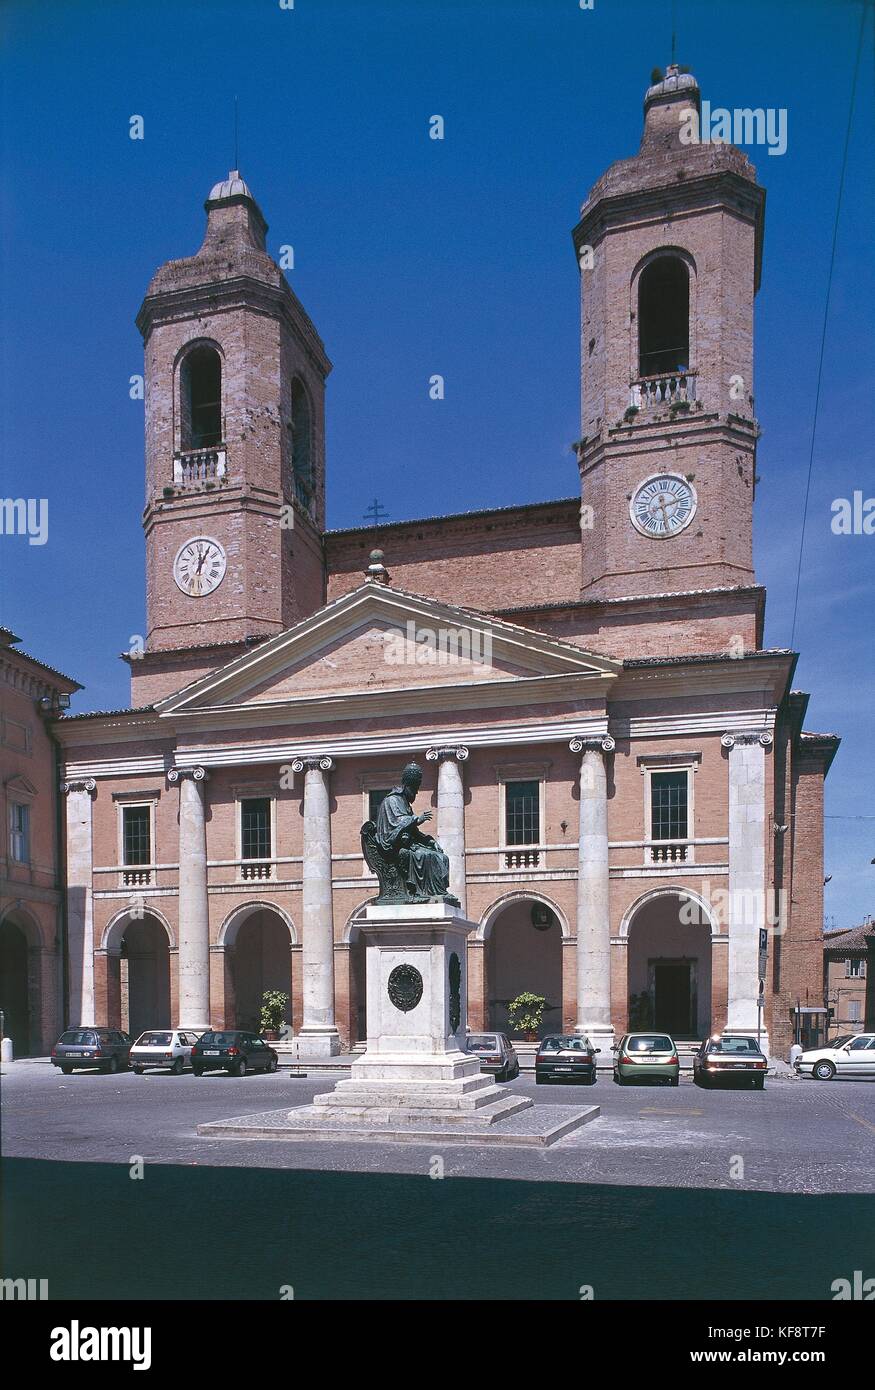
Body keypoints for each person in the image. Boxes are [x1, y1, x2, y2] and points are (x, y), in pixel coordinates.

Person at [375, 762, 450, 898]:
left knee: (441, 857)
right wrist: (416, 819)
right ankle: (420, 892)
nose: (417, 792)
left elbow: (413, 831)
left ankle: (438, 892)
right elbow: (396, 824)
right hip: (394, 848)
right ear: (407, 786)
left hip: (409, 845)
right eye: (415, 788)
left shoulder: (404, 803)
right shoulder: (392, 800)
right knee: (427, 857)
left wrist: (429, 840)